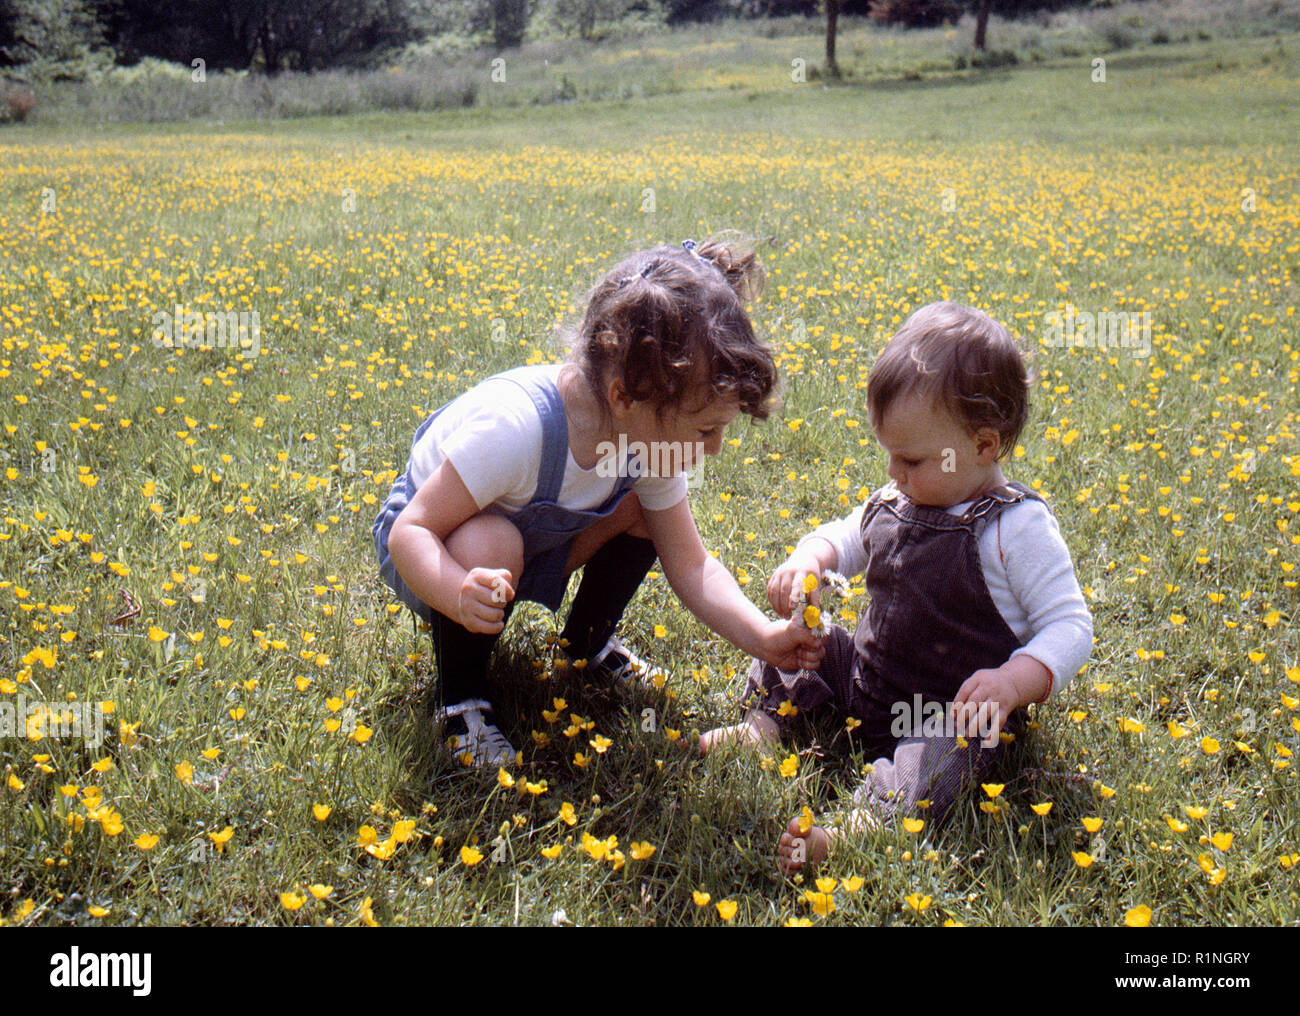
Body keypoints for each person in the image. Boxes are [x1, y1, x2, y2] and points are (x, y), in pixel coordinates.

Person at [373, 238, 823, 767]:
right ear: (625, 397)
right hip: (439, 552)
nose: (714, 449)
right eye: (705, 429)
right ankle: (461, 699)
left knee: (640, 512)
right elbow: (411, 531)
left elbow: (692, 564)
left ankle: (585, 648)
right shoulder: (517, 430)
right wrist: (455, 590)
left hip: (534, 544)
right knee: (492, 539)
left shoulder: (645, 440)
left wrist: (764, 638)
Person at [699, 301, 1093, 874]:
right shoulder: (900, 498)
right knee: (807, 640)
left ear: (984, 446)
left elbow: (1070, 624)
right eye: (888, 454)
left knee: (958, 749)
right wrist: (809, 558)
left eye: (909, 458)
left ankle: (862, 822)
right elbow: (844, 538)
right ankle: (764, 725)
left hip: (945, 709)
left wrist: (1012, 683)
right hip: (865, 675)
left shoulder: (1015, 528)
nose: (893, 472)